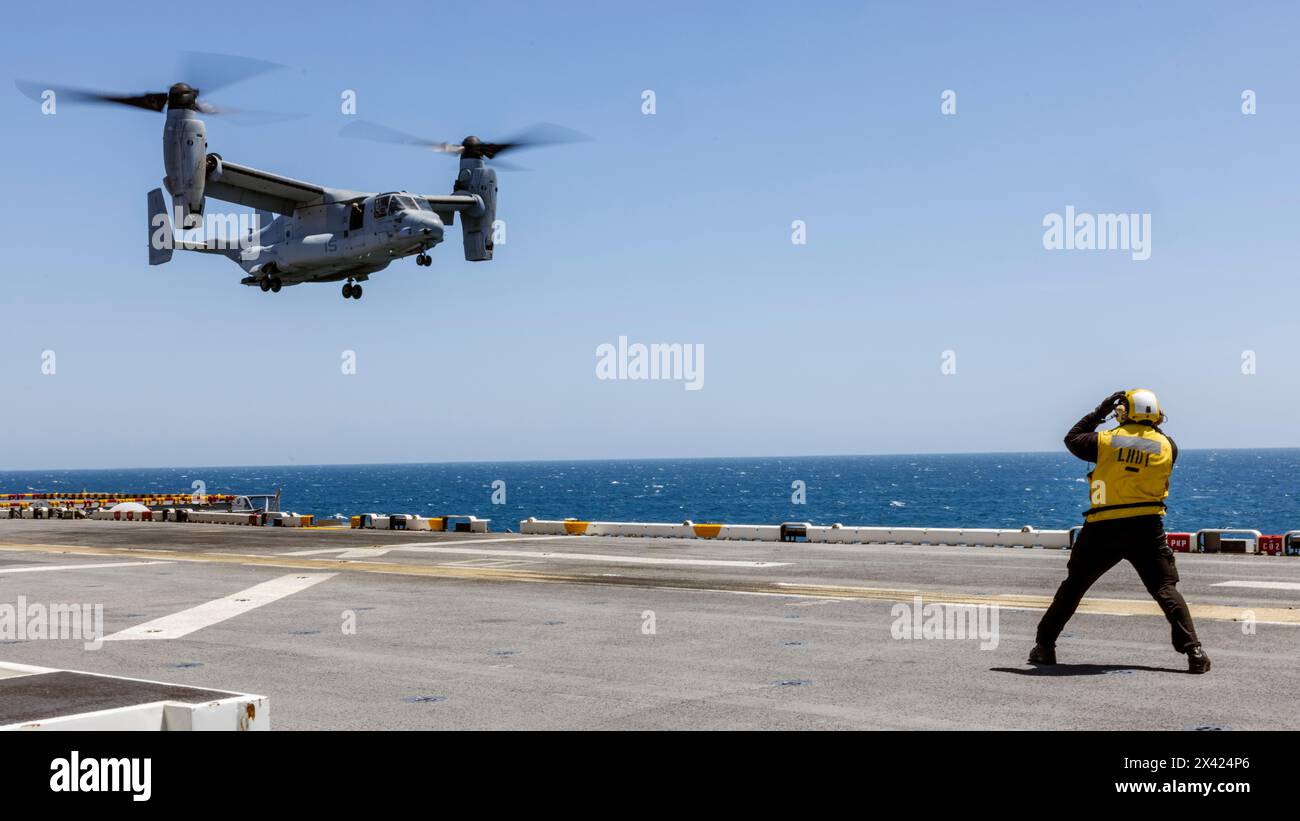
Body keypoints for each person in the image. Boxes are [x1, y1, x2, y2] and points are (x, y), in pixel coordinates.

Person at [1029, 389, 1210, 674]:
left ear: (1124, 411)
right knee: (1164, 588)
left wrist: (1099, 412)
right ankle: (1195, 652)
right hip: (1147, 527)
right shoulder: (1168, 446)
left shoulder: (1105, 441)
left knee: (1074, 587)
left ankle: (1044, 646)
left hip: (1103, 527)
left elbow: (1072, 438)